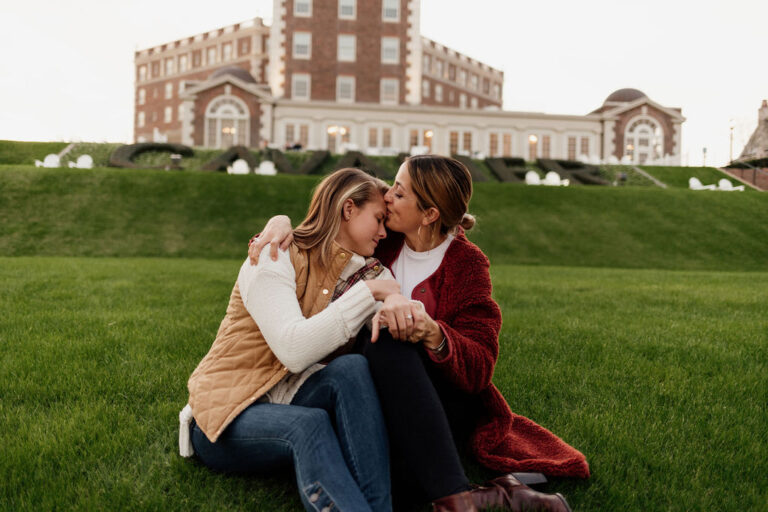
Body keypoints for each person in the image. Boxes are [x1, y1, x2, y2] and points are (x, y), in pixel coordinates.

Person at [250, 156, 590, 512]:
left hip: (440, 399)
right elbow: (337, 212)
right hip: (368, 394)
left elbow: (480, 367)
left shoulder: (466, 265)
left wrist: (434, 334)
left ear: (429, 214)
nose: (388, 197)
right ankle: (494, 494)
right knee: (390, 467)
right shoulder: (380, 238)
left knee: (389, 339)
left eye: (400, 192)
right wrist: (279, 222)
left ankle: (457, 498)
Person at [179, 168, 402, 512]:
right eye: (378, 219)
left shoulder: (367, 273)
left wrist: (398, 302)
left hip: (289, 395)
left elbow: (392, 304)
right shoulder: (273, 254)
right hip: (227, 415)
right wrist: (369, 293)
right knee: (308, 425)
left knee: (352, 368)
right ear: (348, 209)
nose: (384, 232)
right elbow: (294, 350)